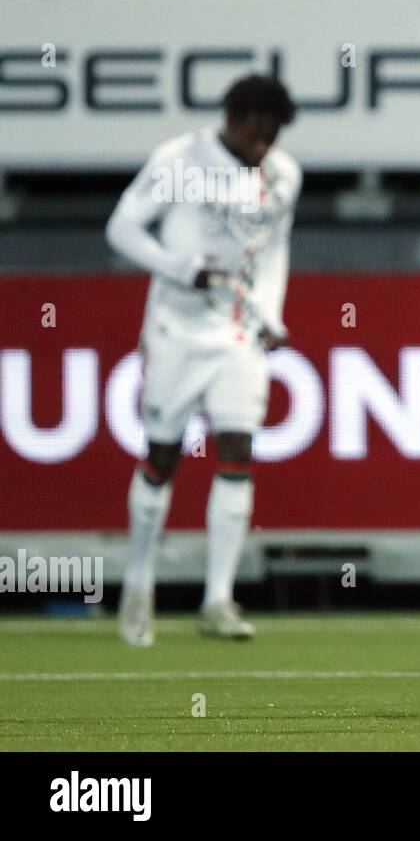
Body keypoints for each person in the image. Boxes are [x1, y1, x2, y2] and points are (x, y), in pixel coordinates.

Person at [107, 74, 300, 646]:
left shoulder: (283, 175)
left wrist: (270, 313)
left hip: (237, 331)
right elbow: (121, 227)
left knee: (238, 447)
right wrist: (179, 268)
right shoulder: (181, 159)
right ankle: (139, 584)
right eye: (255, 134)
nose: (262, 147)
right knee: (163, 454)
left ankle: (218, 598)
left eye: (272, 137)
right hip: (175, 329)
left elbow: (274, 250)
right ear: (233, 120)